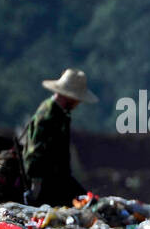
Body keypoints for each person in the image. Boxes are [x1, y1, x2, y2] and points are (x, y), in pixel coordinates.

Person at [19, 68, 96, 206]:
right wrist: (36, 185)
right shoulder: (48, 115)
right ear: (70, 96)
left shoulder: (62, 114)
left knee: (88, 203)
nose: (78, 103)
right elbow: (34, 152)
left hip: (60, 178)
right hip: (46, 182)